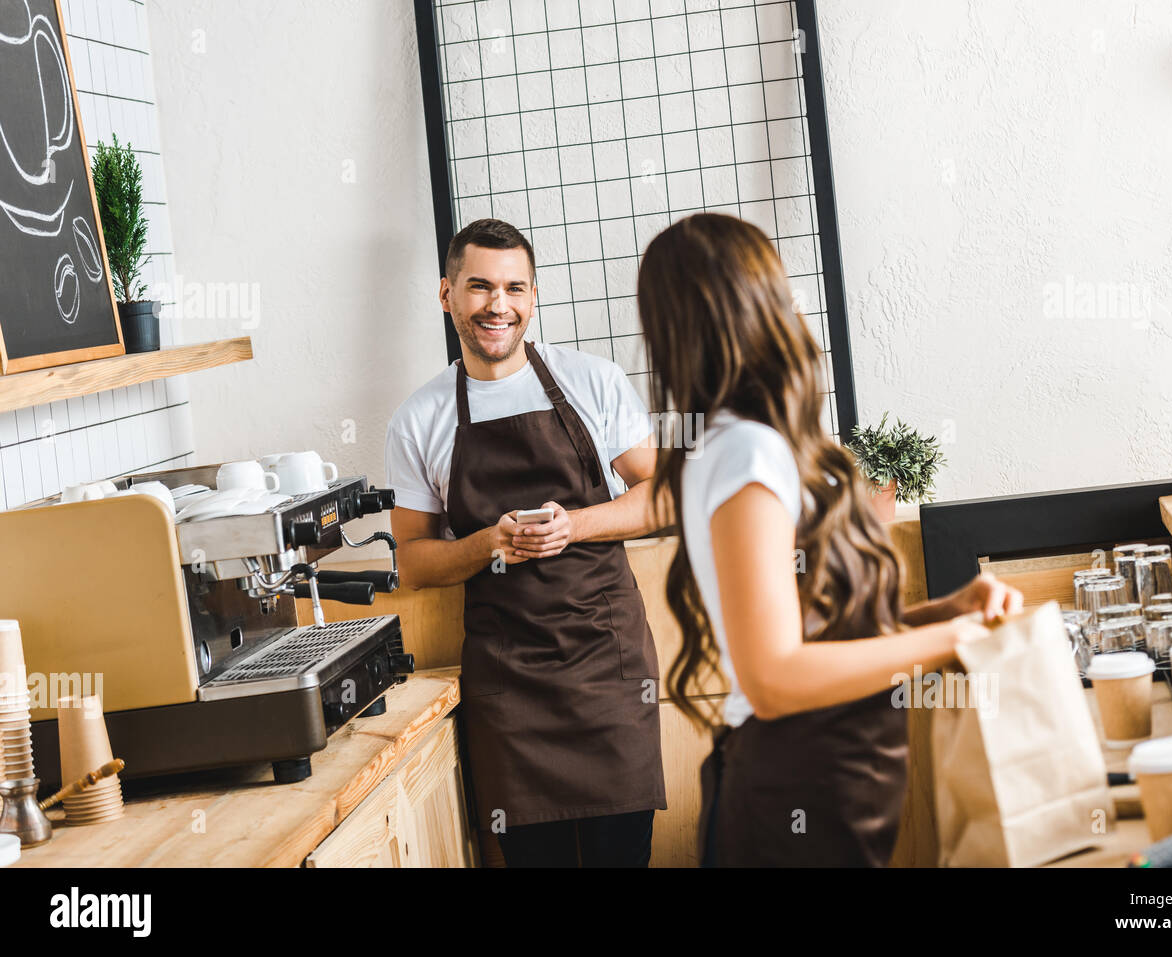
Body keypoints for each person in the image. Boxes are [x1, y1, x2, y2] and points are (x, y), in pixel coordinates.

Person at [636, 213, 1023, 867]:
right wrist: (948, 641)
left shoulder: (738, 443)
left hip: (815, 789)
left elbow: (818, 636)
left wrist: (941, 613)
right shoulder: (748, 451)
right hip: (795, 794)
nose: (796, 306)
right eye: (777, 287)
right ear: (745, 307)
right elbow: (775, 677)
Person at [385, 219, 666, 867]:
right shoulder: (420, 418)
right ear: (447, 294)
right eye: (479, 286)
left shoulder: (592, 381)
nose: (498, 305)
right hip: (511, 695)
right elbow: (414, 558)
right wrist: (489, 543)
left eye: (515, 287)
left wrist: (576, 523)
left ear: (533, 297)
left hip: (608, 676)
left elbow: (662, 495)